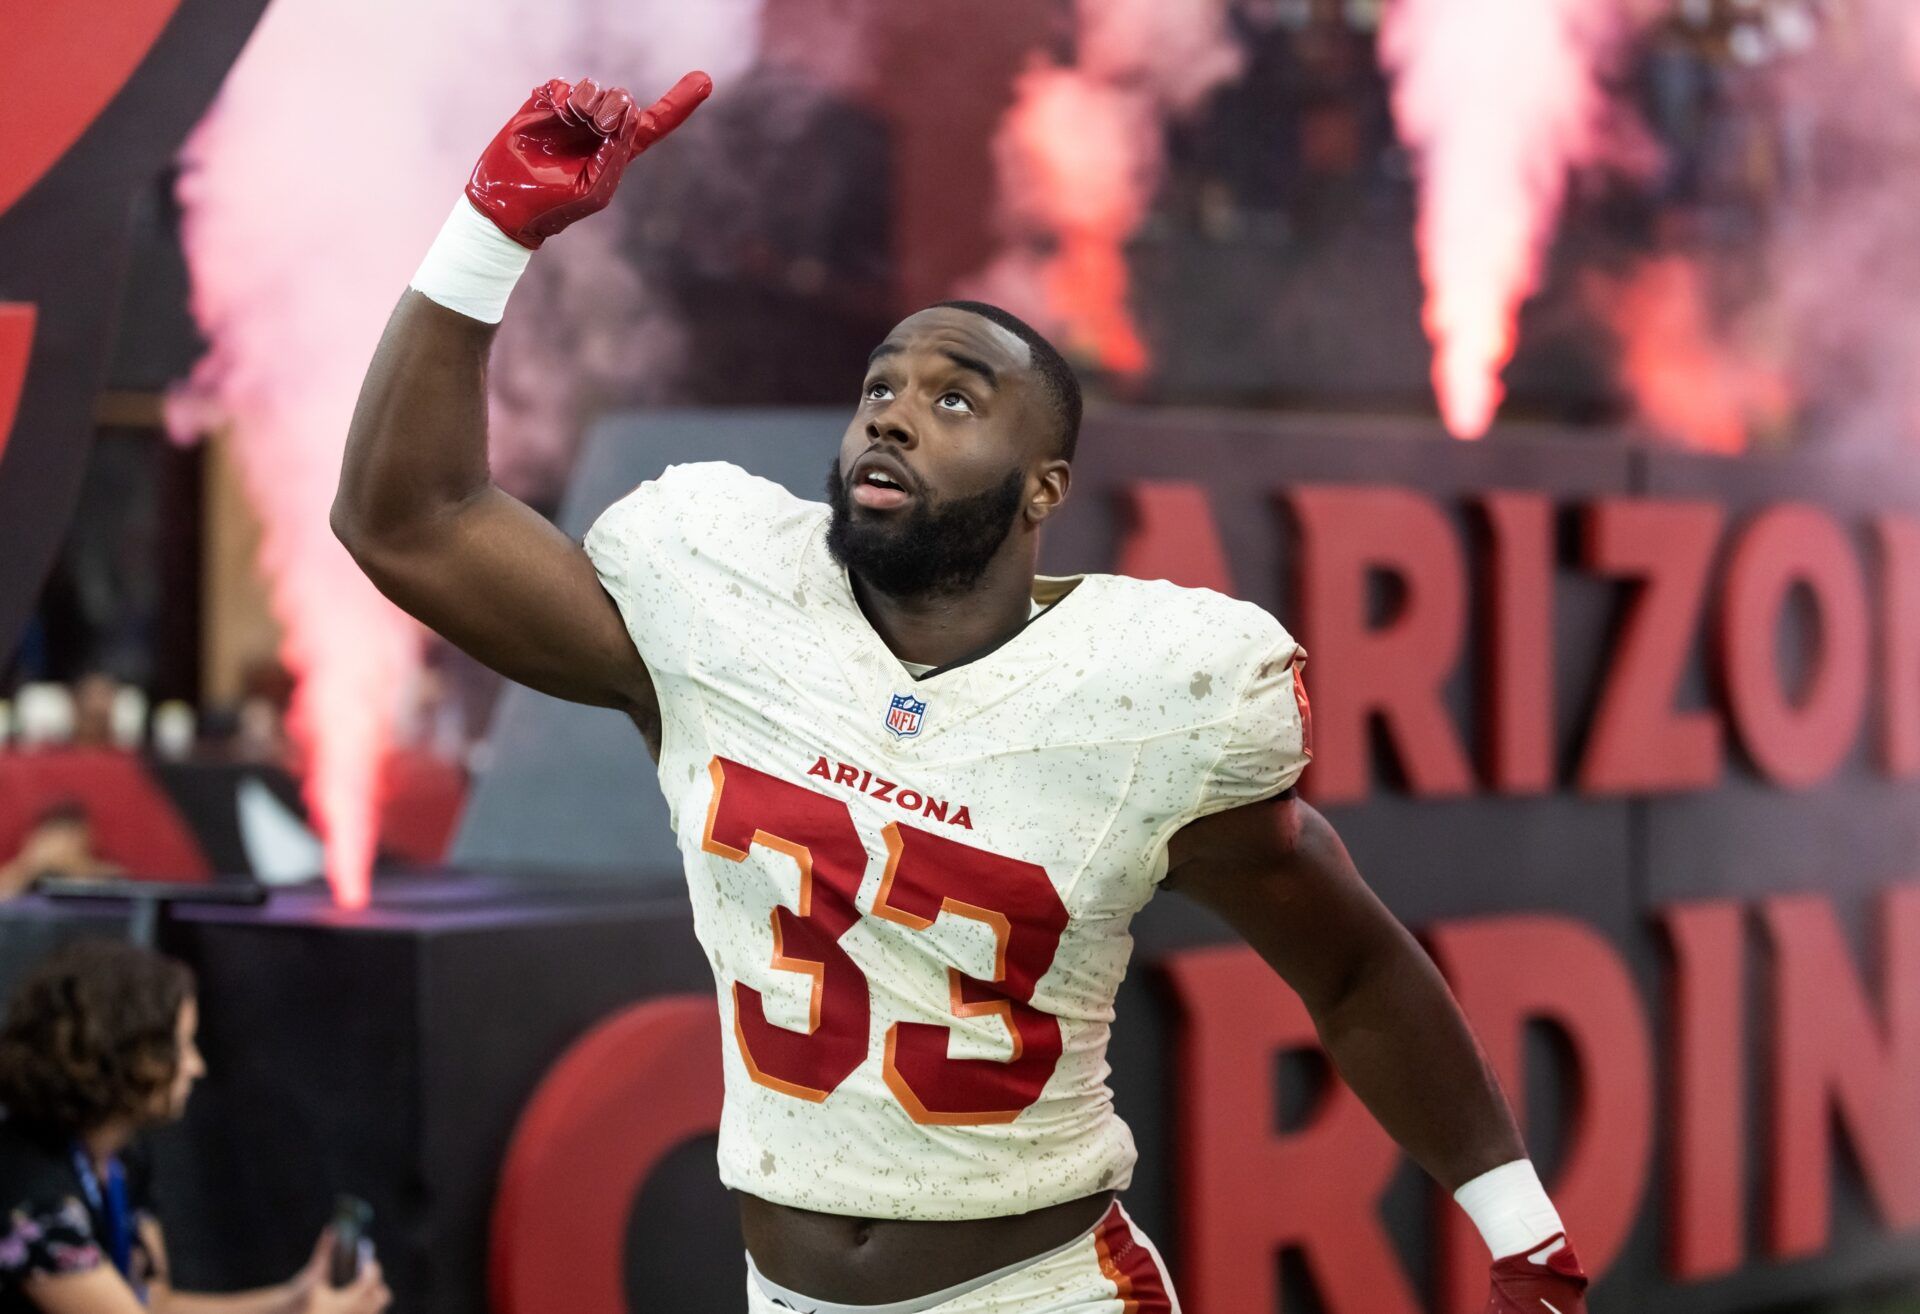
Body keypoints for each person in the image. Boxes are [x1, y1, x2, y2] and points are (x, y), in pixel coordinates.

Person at [333, 74, 1593, 1314]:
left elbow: (1356, 970)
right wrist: (489, 233)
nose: (894, 418)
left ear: (1044, 488)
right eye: (879, 389)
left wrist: (1521, 1232)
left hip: (1040, 1290)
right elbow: (407, 520)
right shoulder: (722, 607)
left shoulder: (1150, 697)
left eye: (953, 400)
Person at [0, 941, 390, 1314]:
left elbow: (153, 1304)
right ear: (124, 1054)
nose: (196, 1066)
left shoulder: (120, 1158)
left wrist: (293, 1300)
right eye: (181, 1045)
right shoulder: (28, 1191)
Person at [0, 803, 123, 902]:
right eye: (51, 834)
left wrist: (77, 870)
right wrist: (28, 866)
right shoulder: (26, 874)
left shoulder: (110, 879)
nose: (59, 846)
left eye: (69, 834)